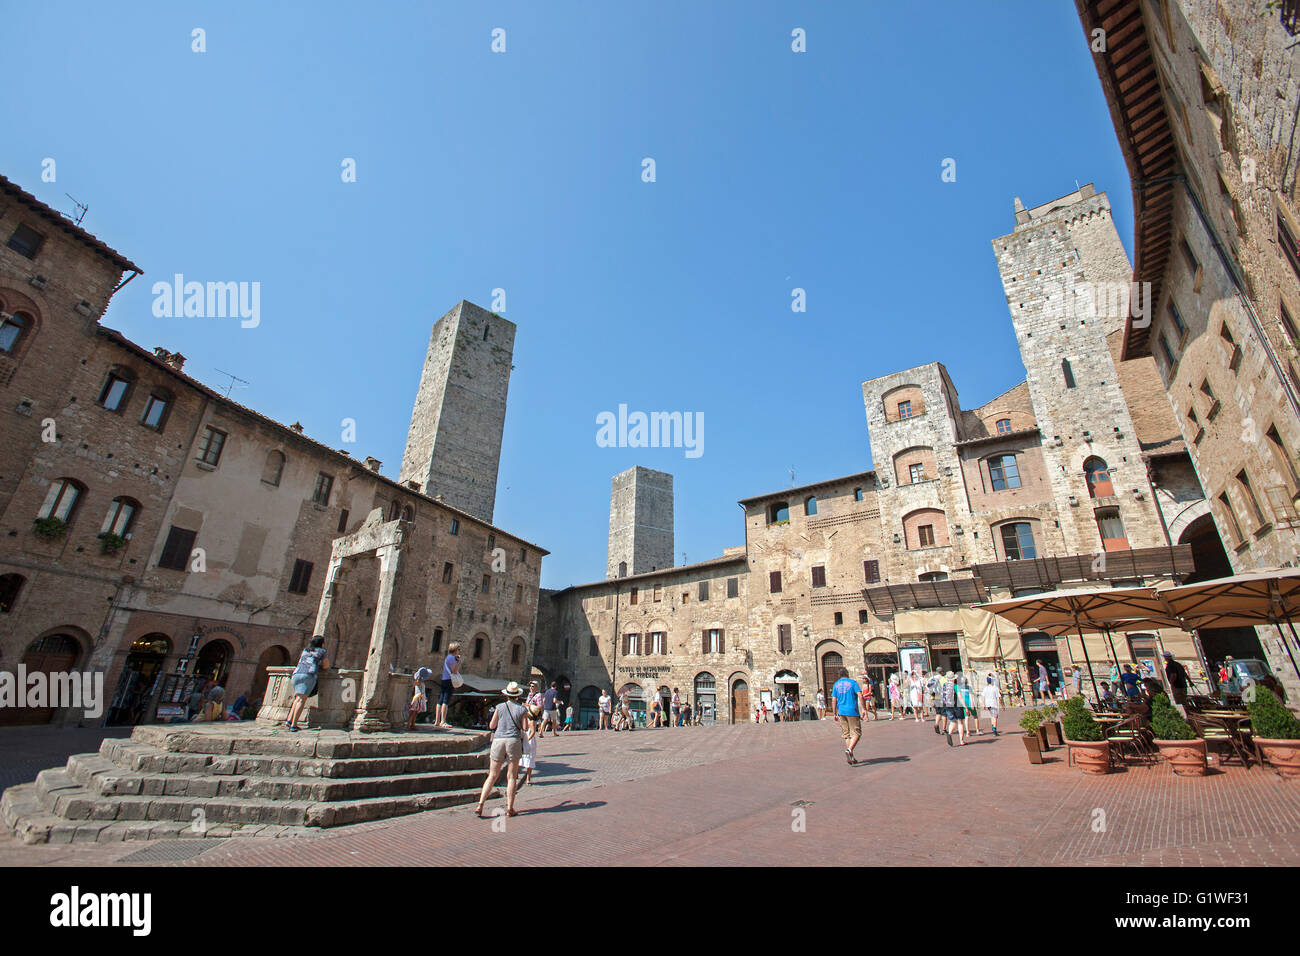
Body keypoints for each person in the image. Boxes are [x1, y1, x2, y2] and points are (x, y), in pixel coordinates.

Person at [474, 681, 530, 818]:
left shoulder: (499, 707)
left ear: (506, 695)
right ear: (517, 695)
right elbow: (525, 728)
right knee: (511, 777)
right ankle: (510, 808)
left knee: (492, 775)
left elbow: (492, 725)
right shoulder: (522, 709)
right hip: (513, 741)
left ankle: (480, 804)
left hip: (498, 740)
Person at [284, 636, 329, 731]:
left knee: (297, 699)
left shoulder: (306, 650)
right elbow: (326, 666)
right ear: (322, 643)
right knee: (301, 700)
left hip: (296, 674)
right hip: (308, 675)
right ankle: (294, 725)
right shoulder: (322, 651)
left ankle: (289, 720)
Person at [831, 667, 863, 765]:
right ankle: (849, 750)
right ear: (847, 673)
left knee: (847, 735)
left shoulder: (836, 684)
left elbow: (833, 700)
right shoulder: (853, 683)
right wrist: (864, 709)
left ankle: (851, 757)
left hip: (841, 712)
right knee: (857, 733)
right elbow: (860, 695)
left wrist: (834, 713)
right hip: (852, 711)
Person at [435, 642, 461, 729]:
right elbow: (454, 671)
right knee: (446, 700)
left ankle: (437, 720)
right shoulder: (452, 658)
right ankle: (443, 721)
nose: (459, 651)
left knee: (440, 700)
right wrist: (459, 662)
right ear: (455, 650)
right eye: (458, 649)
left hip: (444, 679)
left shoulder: (447, 658)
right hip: (449, 680)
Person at [408, 665, 433, 730]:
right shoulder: (418, 682)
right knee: (413, 712)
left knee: (415, 712)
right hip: (417, 698)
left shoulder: (421, 682)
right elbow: (415, 684)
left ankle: (412, 724)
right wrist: (418, 677)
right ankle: (409, 725)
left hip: (420, 697)